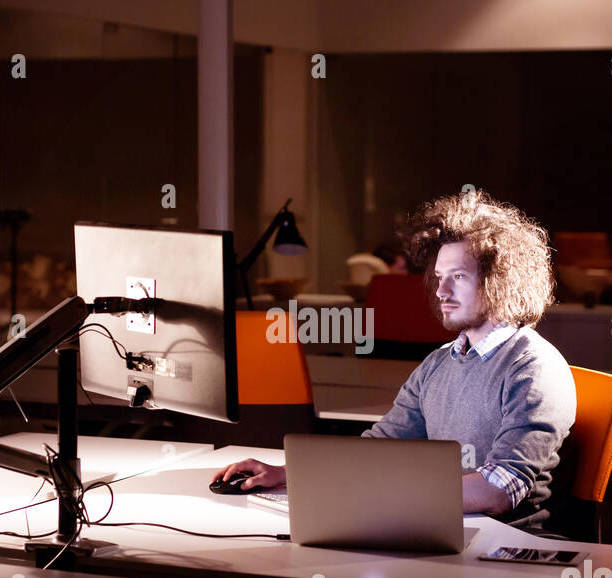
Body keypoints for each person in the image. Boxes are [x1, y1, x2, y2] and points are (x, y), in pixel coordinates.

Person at [213, 190, 578, 534]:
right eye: (438, 277)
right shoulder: (438, 364)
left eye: (458, 277)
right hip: (434, 528)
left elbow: (498, 491)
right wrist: (288, 473)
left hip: (505, 548)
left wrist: (386, 497)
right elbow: (379, 446)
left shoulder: (534, 368)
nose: (441, 291)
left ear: (501, 282)